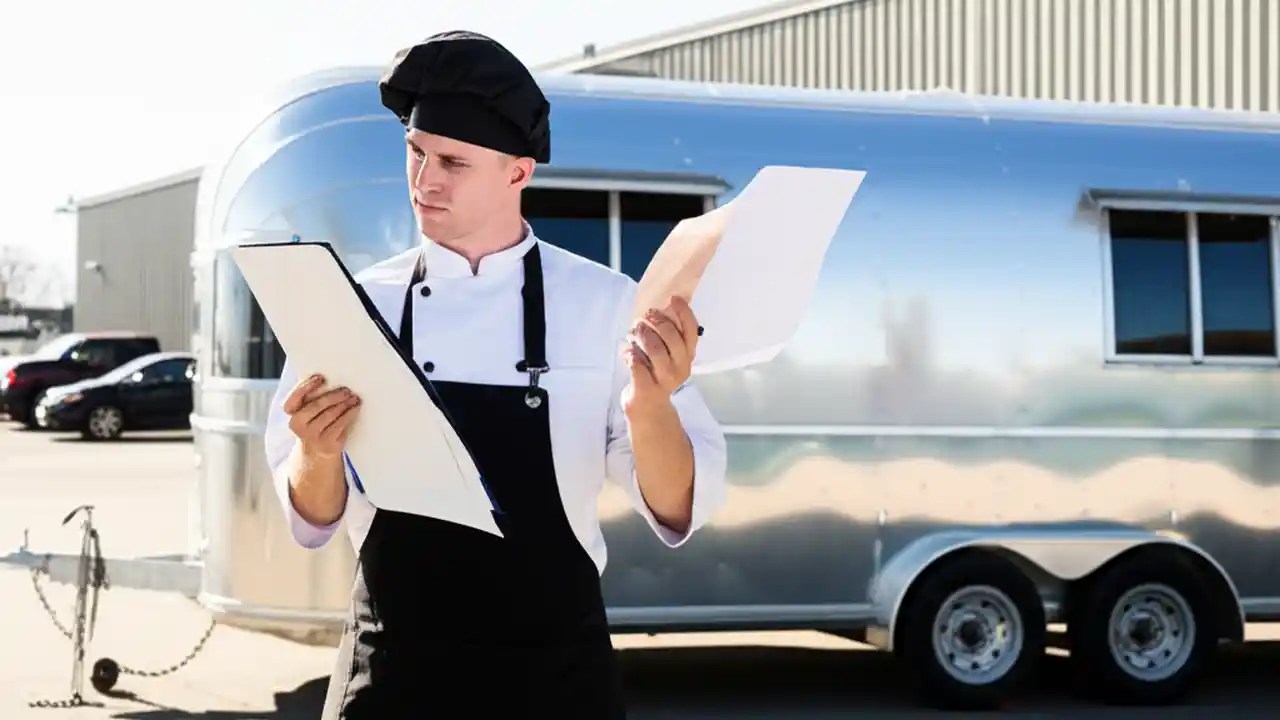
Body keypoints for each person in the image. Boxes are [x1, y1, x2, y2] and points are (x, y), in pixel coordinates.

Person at [262, 30, 727, 718]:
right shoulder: (353, 305)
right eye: (416, 153)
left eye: (453, 162)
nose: (425, 180)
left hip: (555, 684)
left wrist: (651, 406)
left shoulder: (607, 306)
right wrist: (317, 452)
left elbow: (678, 506)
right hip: (393, 679)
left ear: (518, 173)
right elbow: (311, 520)